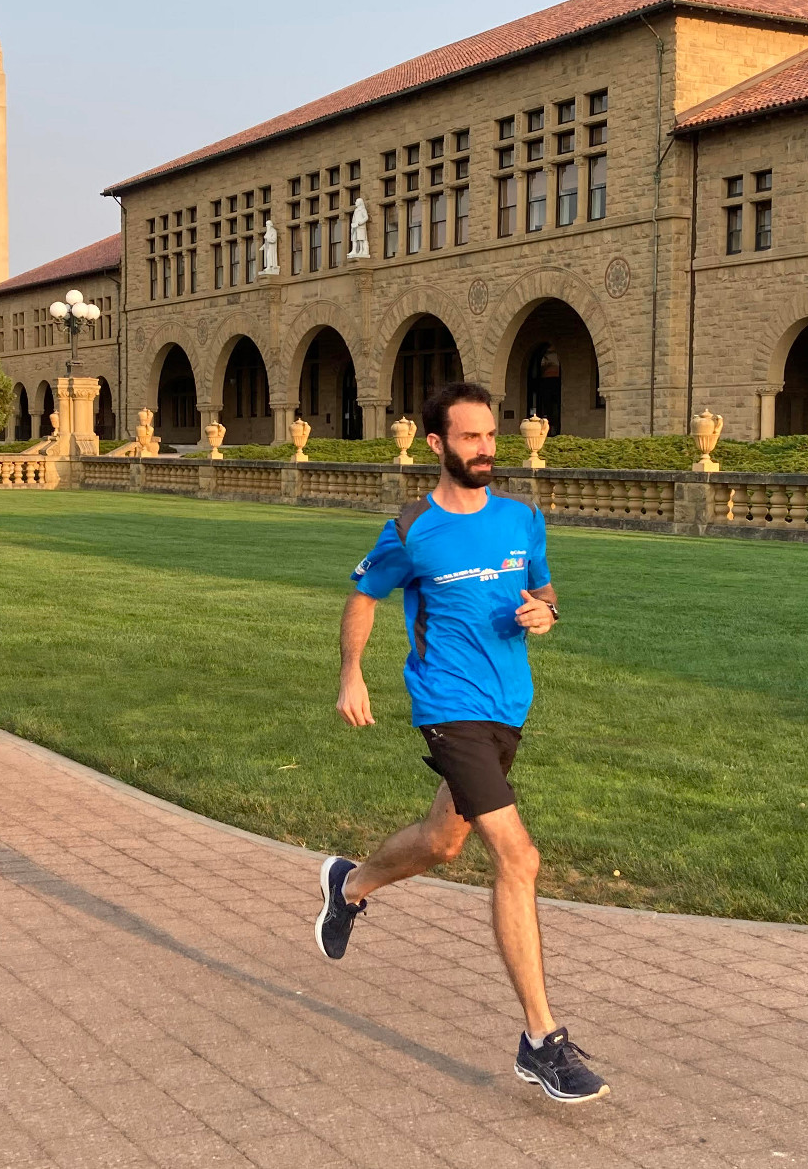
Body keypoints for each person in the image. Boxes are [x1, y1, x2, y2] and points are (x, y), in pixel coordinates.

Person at [314, 380, 610, 1104]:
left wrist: (545, 614)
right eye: (470, 437)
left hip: (509, 705)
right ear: (439, 444)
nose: (485, 448)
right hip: (447, 706)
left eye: (491, 435)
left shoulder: (522, 517)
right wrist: (352, 673)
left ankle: (348, 885)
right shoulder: (413, 527)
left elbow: (545, 592)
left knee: (442, 841)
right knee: (519, 854)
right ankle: (542, 1040)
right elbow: (363, 595)